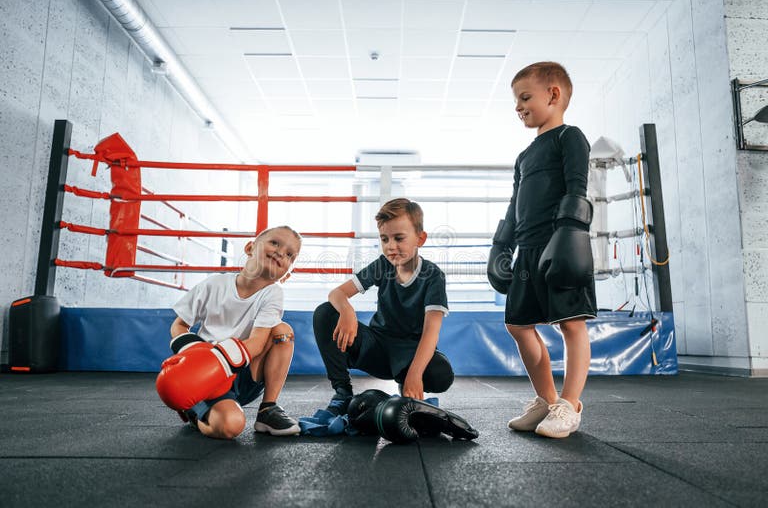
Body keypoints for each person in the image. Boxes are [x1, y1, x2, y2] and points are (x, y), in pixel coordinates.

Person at [487, 61, 596, 439]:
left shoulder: (570, 137)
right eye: (516, 100)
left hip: (561, 243)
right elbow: (516, 202)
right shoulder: (524, 156)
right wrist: (502, 243)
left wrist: (570, 233)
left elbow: (576, 186)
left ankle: (569, 404)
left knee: (571, 323)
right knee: (517, 324)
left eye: (525, 97)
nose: (518, 106)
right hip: (527, 250)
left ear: (554, 94)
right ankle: (547, 401)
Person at [157, 226, 303, 440]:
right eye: (275, 243)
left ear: (287, 273)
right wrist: (198, 354)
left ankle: (268, 410)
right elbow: (179, 326)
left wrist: (221, 358)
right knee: (231, 426)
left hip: (244, 371)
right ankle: (197, 417)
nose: (281, 252)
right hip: (205, 378)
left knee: (282, 332)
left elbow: (257, 343)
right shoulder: (214, 284)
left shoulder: (272, 293)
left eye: (290, 255)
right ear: (250, 247)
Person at [313, 198, 453, 415]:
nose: (390, 246)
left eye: (399, 238)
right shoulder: (382, 265)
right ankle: (342, 391)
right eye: (384, 239)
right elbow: (337, 293)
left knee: (442, 375)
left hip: (410, 352)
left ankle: (405, 380)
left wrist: (414, 375)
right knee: (325, 313)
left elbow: (430, 333)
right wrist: (348, 311)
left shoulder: (433, 276)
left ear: (420, 238)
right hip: (377, 347)